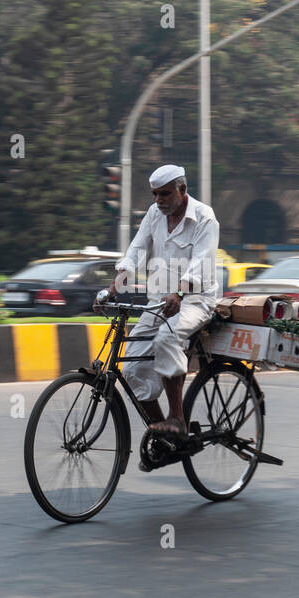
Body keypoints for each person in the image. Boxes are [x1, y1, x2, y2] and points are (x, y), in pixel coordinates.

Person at [99, 164, 220, 442]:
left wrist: (179, 293)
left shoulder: (204, 218)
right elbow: (137, 250)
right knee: (130, 368)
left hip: (195, 301)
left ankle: (177, 417)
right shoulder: (154, 215)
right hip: (159, 302)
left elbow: (202, 263)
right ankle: (166, 434)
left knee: (166, 337)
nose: (159, 200)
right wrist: (113, 289)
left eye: (165, 194)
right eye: (155, 194)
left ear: (182, 190)